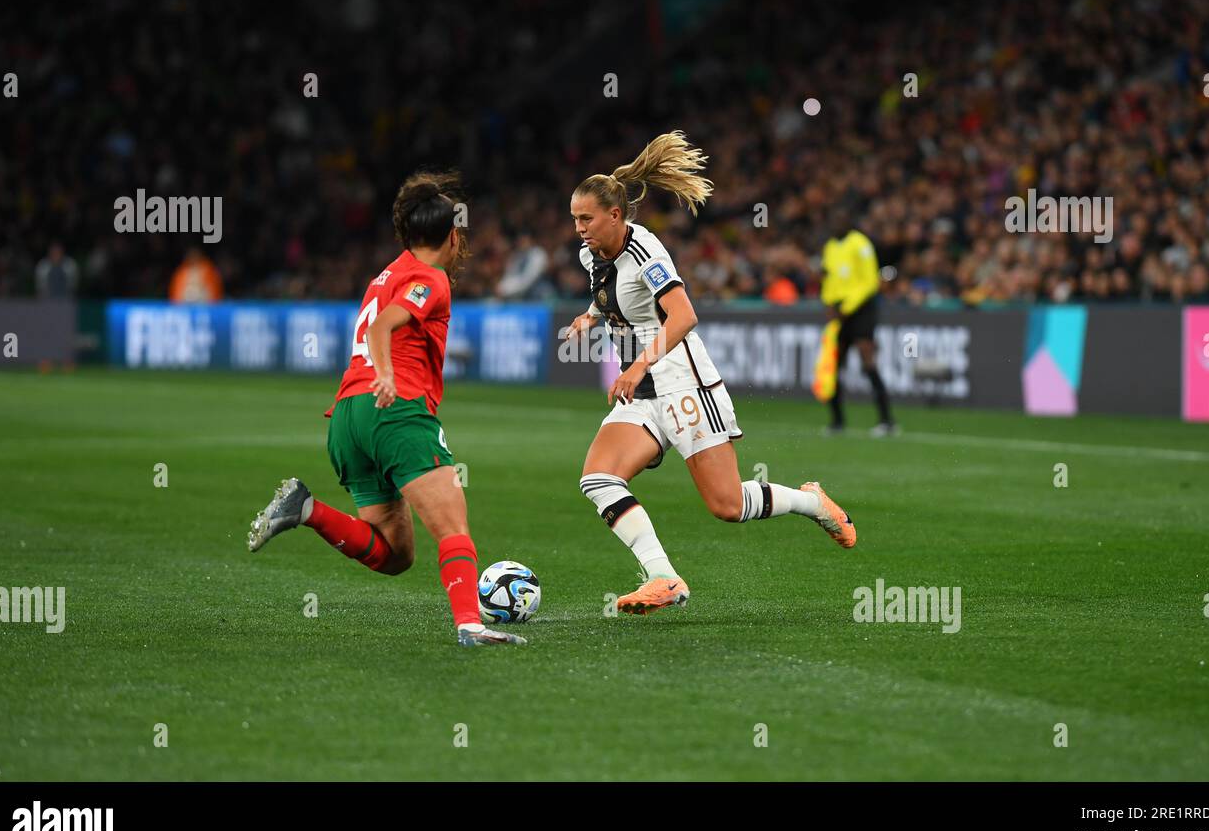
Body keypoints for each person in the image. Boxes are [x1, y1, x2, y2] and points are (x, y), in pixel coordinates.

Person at [566, 131, 857, 615]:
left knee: (728, 506)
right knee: (598, 478)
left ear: (615, 215)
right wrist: (590, 317)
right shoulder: (592, 255)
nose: (578, 228)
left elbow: (683, 316)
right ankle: (663, 578)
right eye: (575, 219)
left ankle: (811, 502)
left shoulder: (646, 252)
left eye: (586, 218)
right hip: (642, 395)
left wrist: (637, 365)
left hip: (684, 383)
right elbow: (614, 298)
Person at [245, 172, 524, 647]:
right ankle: (470, 625)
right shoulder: (431, 280)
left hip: (348, 417)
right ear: (453, 236)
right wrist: (389, 374)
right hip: (394, 410)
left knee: (395, 554)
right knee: (453, 526)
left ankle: (306, 509)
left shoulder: (385, 275)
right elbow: (384, 331)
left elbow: (379, 324)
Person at [821, 226, 897, 436]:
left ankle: (887, 420)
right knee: (835, 363)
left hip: (861, 308)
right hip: (840, 311)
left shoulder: (860, 243)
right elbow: (829, 279)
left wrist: (846, 308)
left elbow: (870, 282)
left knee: (867, 359)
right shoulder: (830, 247)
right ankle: (837, 421)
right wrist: (828, 303)